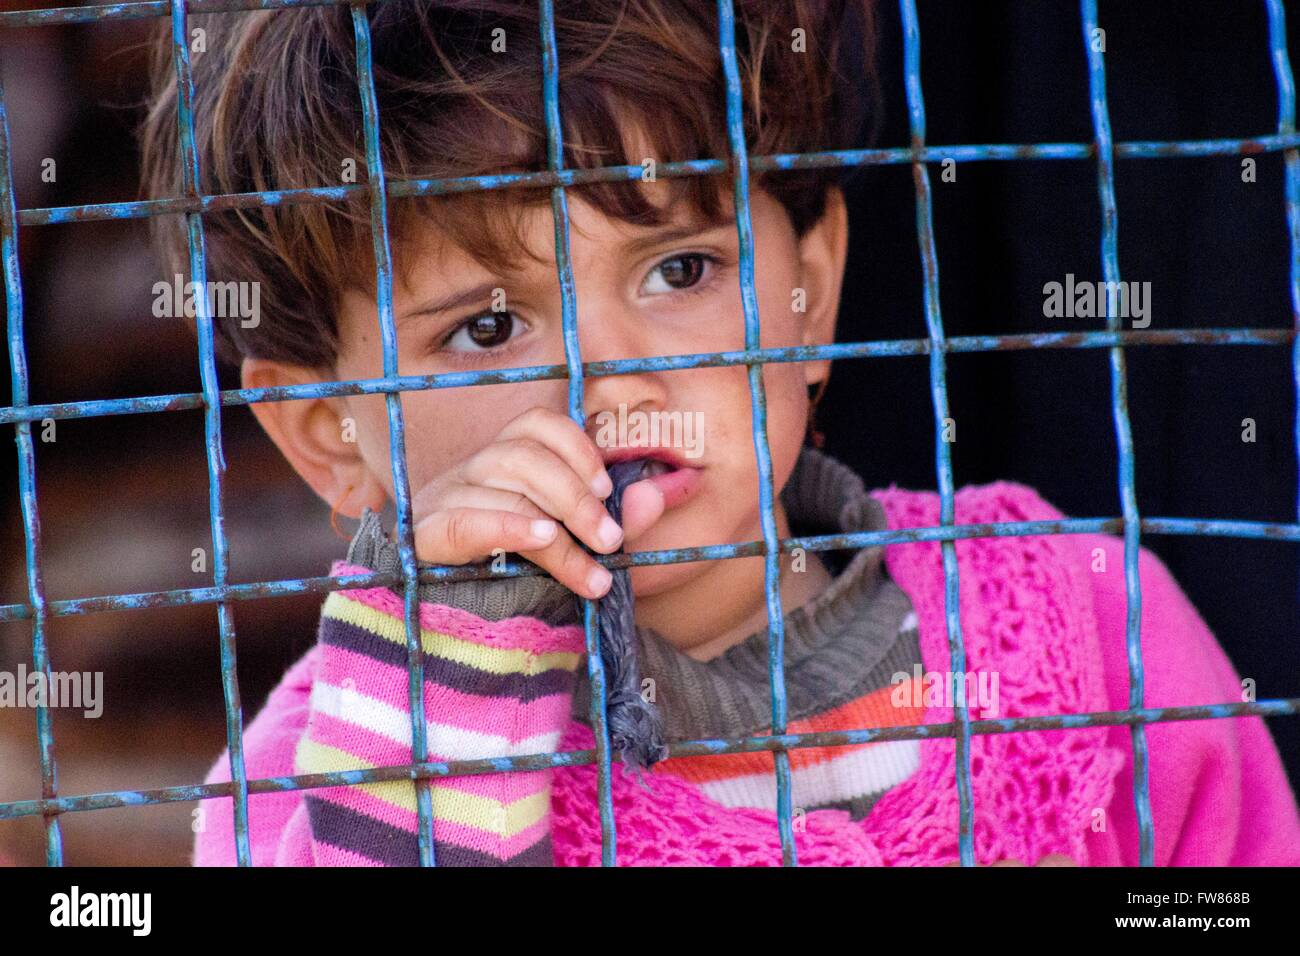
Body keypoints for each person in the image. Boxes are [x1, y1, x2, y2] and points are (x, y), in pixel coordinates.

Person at [138, 0, 1300, 866]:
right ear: (329, 435)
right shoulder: (324, 757)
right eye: (488, 327)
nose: (612, 385)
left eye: (680, 268)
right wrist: (450, 684)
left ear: (813, 292)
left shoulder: (1081, 622)